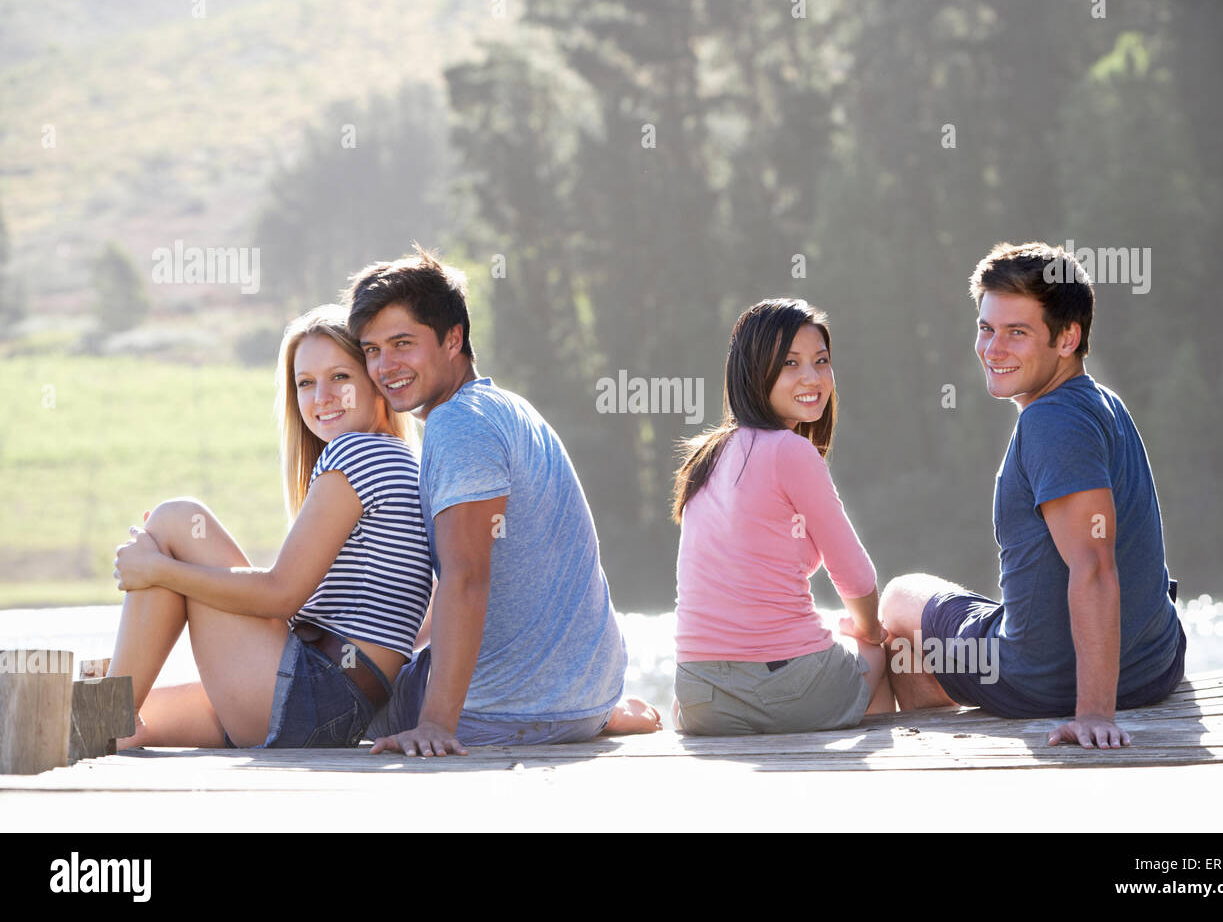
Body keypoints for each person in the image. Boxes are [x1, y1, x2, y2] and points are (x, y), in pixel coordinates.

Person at [348, 245, 659, 757]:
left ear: (453, 339)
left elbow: (467, 577)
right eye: (371, 350)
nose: (385, 366)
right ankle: (586, 711)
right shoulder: (505, 407)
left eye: (402, 343)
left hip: (504, 711)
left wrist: (435, 724)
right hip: (585, 697)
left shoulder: (459, 425)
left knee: (311, 697)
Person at [878, 242, 1186, 749]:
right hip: (1154, 666)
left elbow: (1094, 566)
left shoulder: (1051, 421)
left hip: (1040, 681)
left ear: (1068, 337)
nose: (992, 349)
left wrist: (1093, 714)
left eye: (1016, 332)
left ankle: (933, 744)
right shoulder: (1100, 402)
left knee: (897, 599)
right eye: (986, 328)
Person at [108, 305, 433, 749]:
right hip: (333, 706)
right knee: (128, 724)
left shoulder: (357, 455)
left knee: (177, 521)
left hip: (316, 694)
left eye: (340, 377)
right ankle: (108, 708)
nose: (321, 396)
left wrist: (158, 571)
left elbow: (281, 594)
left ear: (373, 381)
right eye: (305, 383)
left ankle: (107, 709)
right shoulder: (396, 459)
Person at [671, 298, 894, 736]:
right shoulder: (790, 451)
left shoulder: (707, 455)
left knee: (836, 637)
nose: (811, 377)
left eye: (821, 361)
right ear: (755, 372)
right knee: (875, 650)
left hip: (698, 696)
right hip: (788, 690)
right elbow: (856, 577)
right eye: (791, 363)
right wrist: (872, 630)